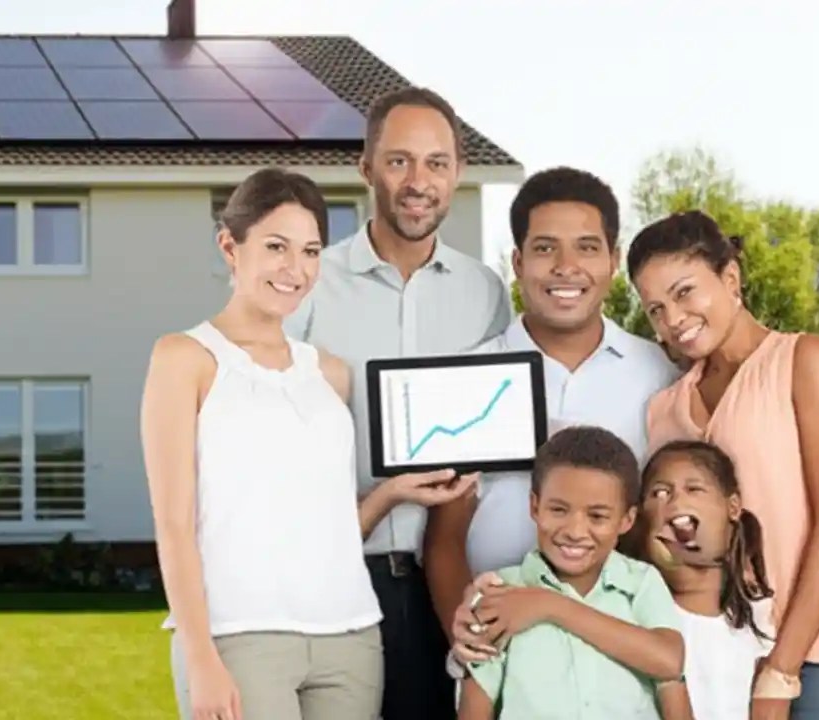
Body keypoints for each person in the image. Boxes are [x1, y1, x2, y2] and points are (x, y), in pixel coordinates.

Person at [284, 85, 510, 720]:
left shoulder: (485, 291)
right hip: (338, 576)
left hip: (447, 581)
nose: (419, 181)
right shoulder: (308, 284)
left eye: (437, 163)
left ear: (457, 173)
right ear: (365, 167)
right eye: (399, 161)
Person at [141, 167, 387, 720]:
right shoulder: (184, 358)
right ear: (231, 246)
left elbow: (324, 519)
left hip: (350, 637)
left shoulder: (330, 374)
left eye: (310, 251)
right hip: (238, 636)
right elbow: (174, 524)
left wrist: (392, 496)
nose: (295, 269)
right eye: (276, 246)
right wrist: (200, 656)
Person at [427, 166, 681, 687]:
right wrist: (471, 634)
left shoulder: (660, 373)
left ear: (612, 260)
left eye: (587, 248)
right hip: (501, 650)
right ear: (517, 262)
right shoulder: (472, 377)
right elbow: (445, 537)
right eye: (545, 249)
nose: (567, 268)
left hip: (619, 650)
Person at [629, 209, 819, 719]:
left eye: (685, 293)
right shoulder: (664, 411)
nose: (673, 320)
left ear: (730, 278)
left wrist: (781, 671)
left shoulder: (802, 361)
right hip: (719, 659)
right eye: (656, 309)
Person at [455, 425, 687, 720]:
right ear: (534, 507)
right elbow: (475, 709)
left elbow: (668, 661)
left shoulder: (641, 581)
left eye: (597, 516)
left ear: (627, 520)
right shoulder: (501, 590)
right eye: (558, 510)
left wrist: (550, 605)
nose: (575, 532)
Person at [633, 438, 776, 720]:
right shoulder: (644, 611)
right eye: (659, 493)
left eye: (694, 489)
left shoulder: (756, 612)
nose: (674, 499)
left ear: (732, 507)